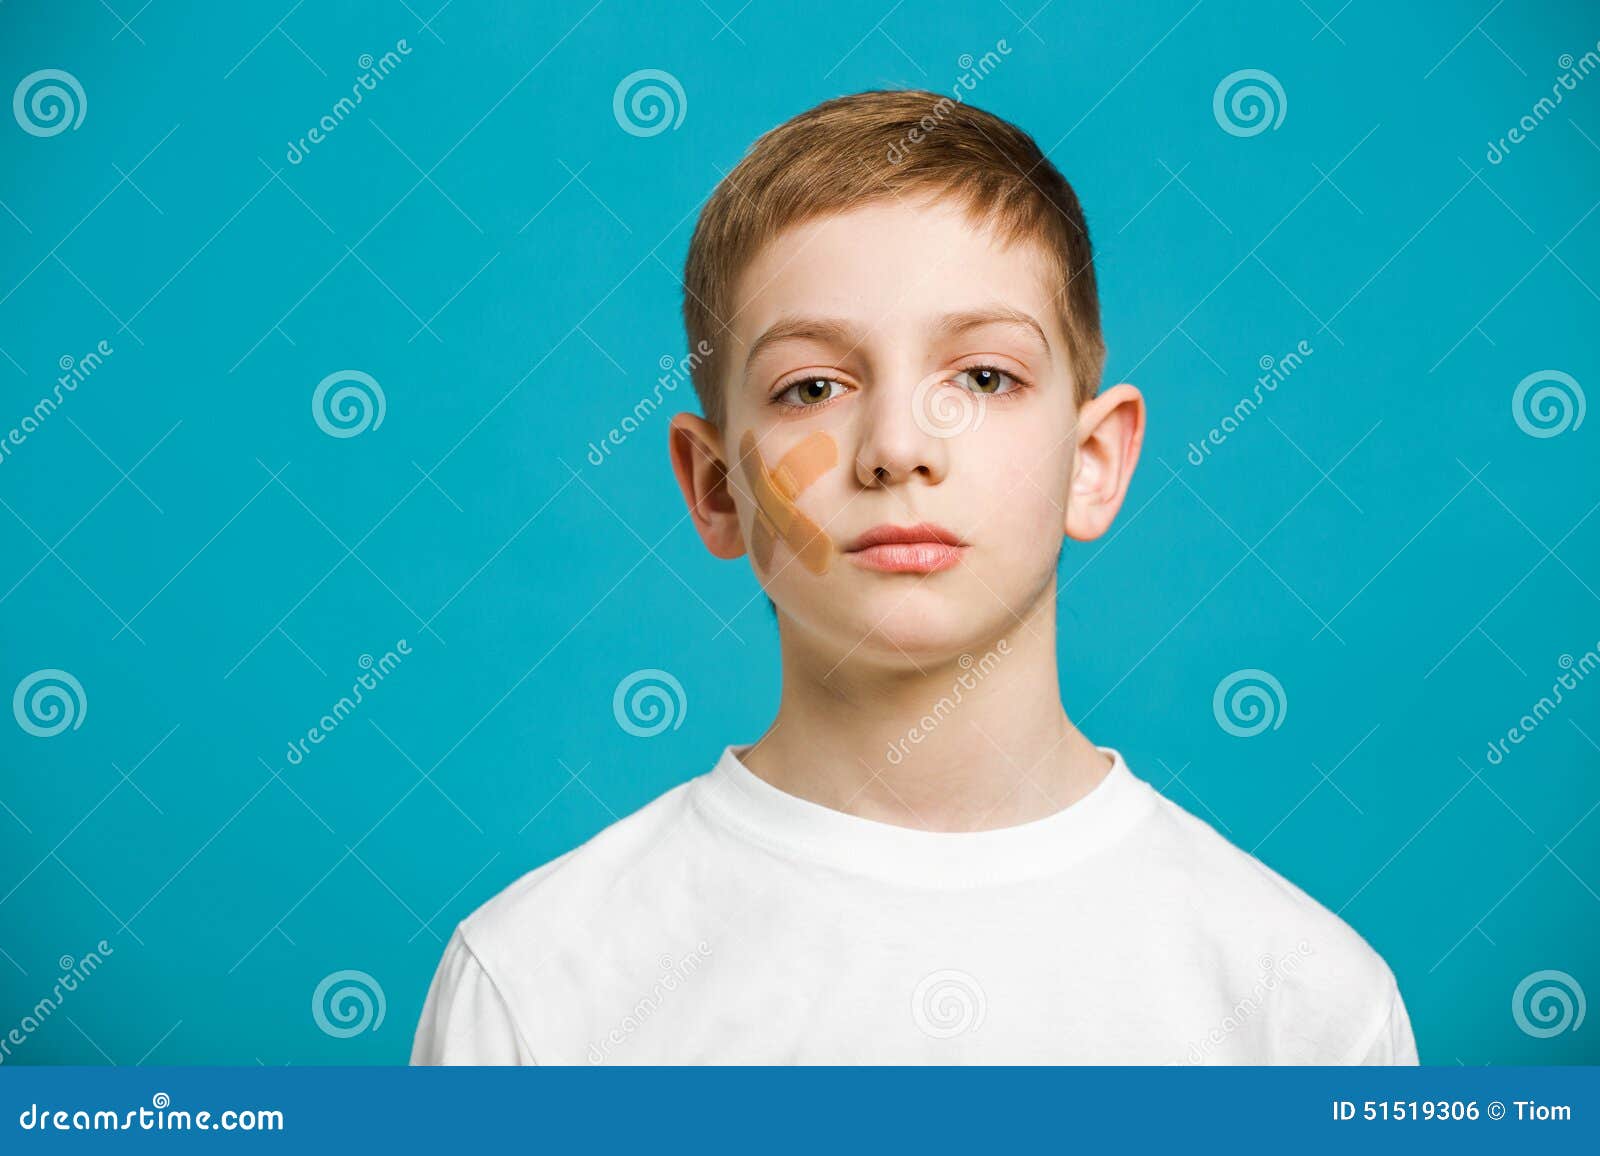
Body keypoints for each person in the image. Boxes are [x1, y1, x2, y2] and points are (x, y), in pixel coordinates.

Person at [412, 89, 1418, 1065]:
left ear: (1093, 461)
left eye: (983, 377)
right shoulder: (538, 987)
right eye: (812, 386)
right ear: (716, 488)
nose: (897, 447)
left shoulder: (1305, 1009)